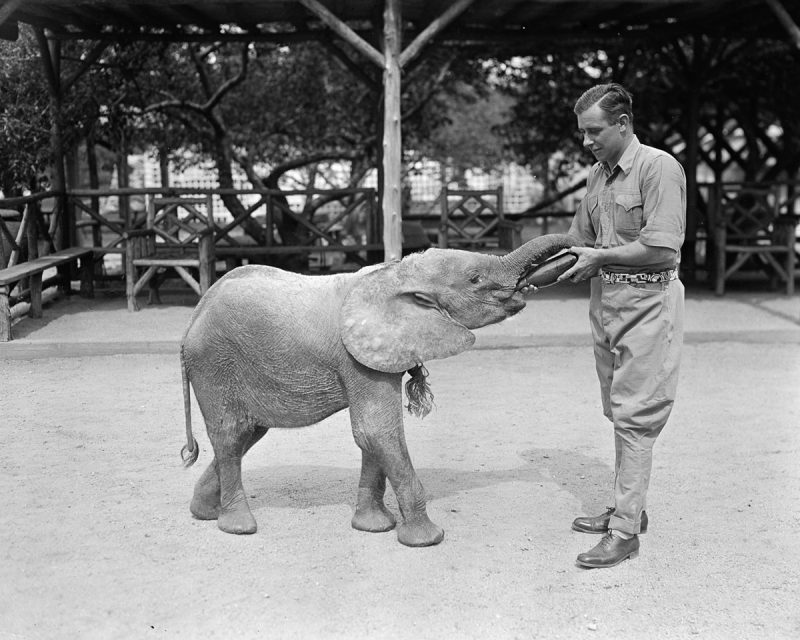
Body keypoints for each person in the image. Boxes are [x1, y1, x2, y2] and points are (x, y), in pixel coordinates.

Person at [556, 83, 686, 568]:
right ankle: (630, 506)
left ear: (623, 123)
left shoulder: (659, 168)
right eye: (582, 132)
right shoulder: (597, 176)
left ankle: (625, 531)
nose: (586, 141)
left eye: (593, 131)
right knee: (618, 409)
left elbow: (662, 248)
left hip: (649, 303)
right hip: (606, 304)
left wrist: (599, 257)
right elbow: (578, 242)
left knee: (636, 416)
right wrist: (515, 278)